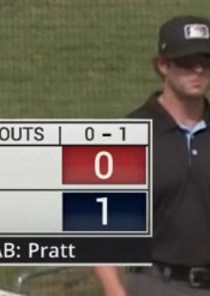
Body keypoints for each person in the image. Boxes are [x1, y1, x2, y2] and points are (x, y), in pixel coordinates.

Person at [94, 17, 210, 296]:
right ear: (163, 65)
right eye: (186, 61)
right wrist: (115, 290)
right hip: (156, 285)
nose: (198, 69)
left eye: (206, 61)